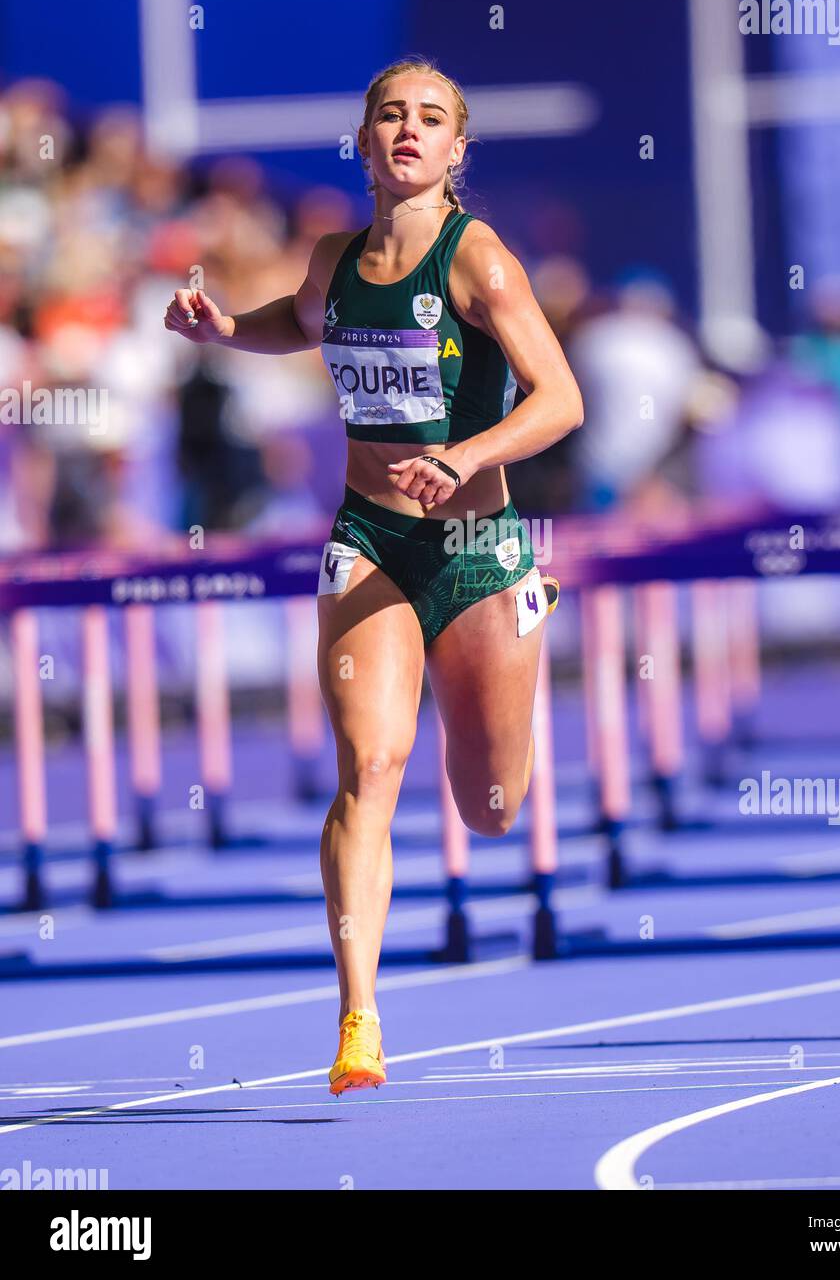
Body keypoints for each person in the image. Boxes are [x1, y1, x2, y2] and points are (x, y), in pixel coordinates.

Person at [164, 57, 583, 1095]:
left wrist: (466, 456)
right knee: (372, 765)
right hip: (368, 543)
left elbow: (560, 397)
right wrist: (224, 330)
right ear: (361, 144)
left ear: (455, 151)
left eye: (428, 118)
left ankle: (531, 607)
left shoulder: (477, 260)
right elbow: (295, 324)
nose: (406, 129)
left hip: (477, 554)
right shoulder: (332, 258)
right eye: (388, 114)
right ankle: (359, 1016)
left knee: (489, 803)